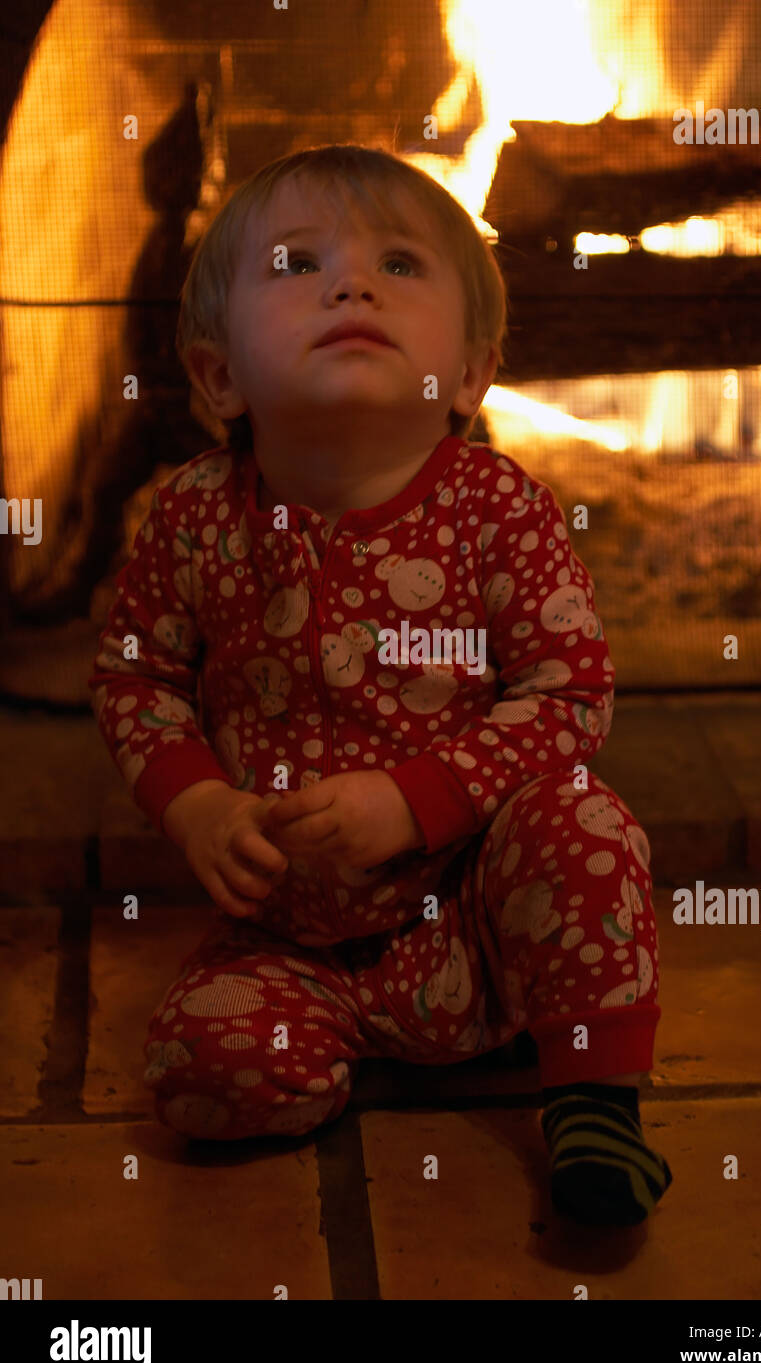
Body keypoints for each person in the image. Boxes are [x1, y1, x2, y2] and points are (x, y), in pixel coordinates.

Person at [89, 143, 672, 1227]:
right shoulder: (196, 515)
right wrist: (198, 803)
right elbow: (136, 677)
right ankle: (346, 1045)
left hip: (477, 914)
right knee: (194, 1069)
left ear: (470, 372)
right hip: (293, 940)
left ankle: (592, 1097)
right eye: (297, 263)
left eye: (398, 265)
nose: (349, 285)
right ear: (218, 376)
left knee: (580, 825)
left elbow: (568, 698)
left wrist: (412, 800)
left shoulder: (499, 509)